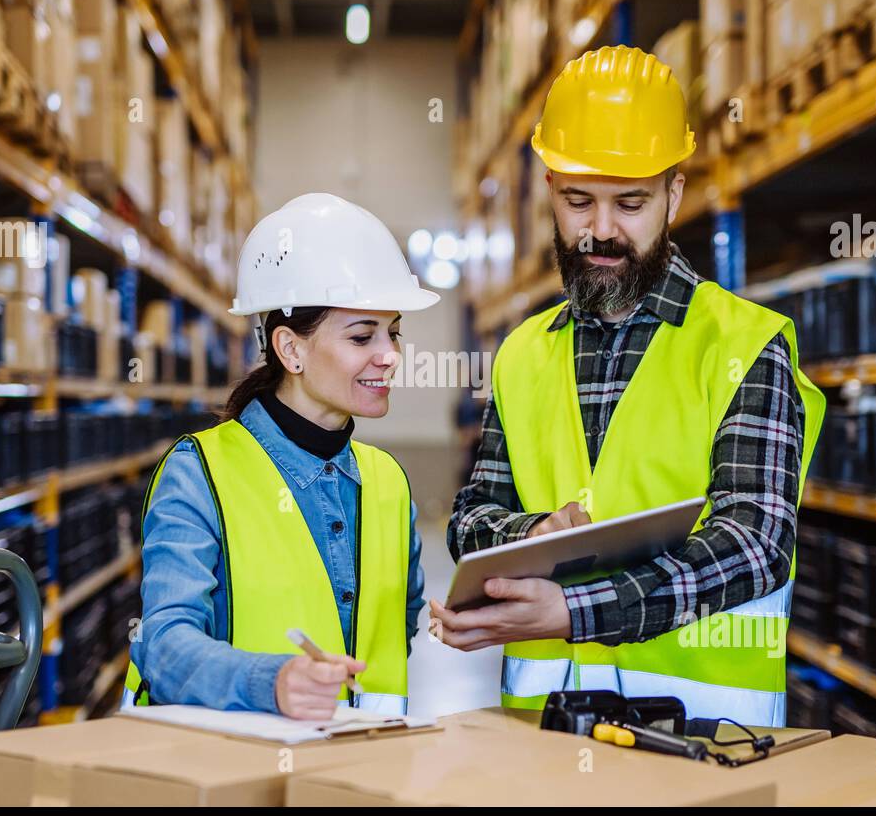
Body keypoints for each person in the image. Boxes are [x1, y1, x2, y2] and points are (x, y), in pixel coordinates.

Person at [431, 45, 826, 726]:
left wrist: (574, 610)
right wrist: (534, 536)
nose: (602, 230)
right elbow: (471, 518)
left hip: (706, 745)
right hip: (544, 739)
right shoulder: (523, 353)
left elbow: (756, 543)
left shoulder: (743, 346)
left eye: (631, 203)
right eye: (578, 201)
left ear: (675, 192)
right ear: (549, 187)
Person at [124, 193, 439, 719]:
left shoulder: (389, 481)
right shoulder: (199, 473)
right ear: (290, 349)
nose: (389, 355)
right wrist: (270, 683)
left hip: (358, 777)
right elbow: (163, 644)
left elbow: (397, 624)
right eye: (363, 336)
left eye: (394, 332)